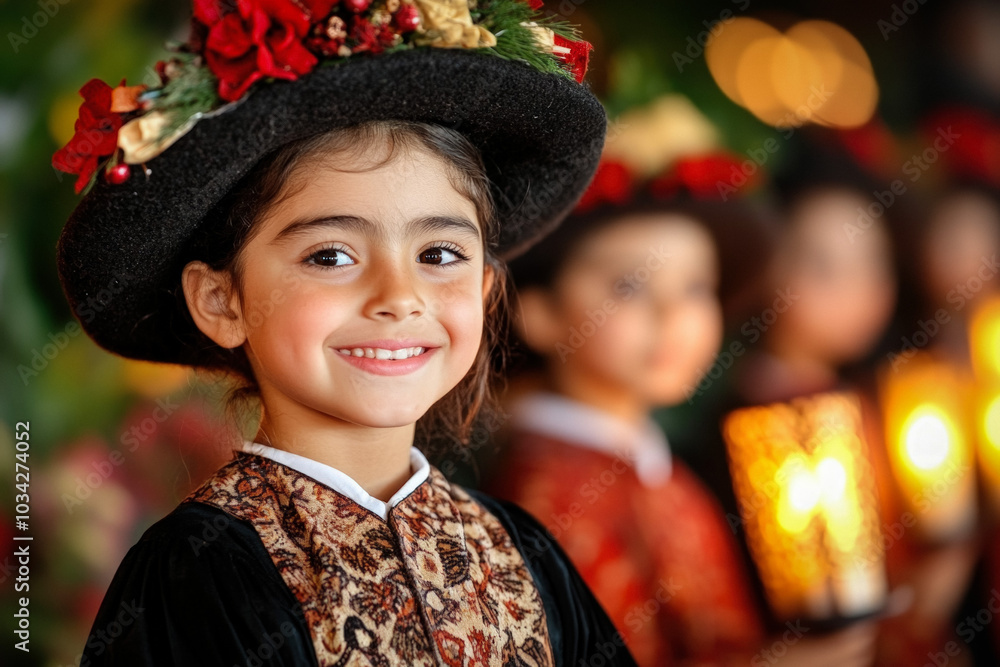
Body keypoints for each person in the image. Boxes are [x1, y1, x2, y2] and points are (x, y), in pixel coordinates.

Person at [53, 1, 636, 664]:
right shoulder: (197, 573)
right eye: (331, 255)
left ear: (484, 291)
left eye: (439, 254)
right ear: (222, 300)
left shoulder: (526, 553)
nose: (399, 298)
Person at [486, 153, 879, 666]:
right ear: (540, 314)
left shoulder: (652, 469)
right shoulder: (548, 497)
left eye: (695, 287)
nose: (673, 316)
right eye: (629, 286)